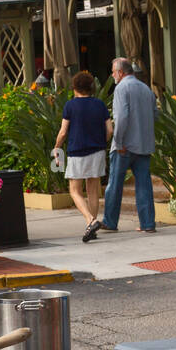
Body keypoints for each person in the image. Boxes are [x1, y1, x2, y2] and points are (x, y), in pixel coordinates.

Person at [53, 71, 112, 243]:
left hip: (77, 151)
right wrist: (102, 142)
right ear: (91, 87)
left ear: (74, 88)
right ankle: (91, 227)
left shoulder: (70, 106)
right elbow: (109, 130)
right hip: (98, 151)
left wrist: (57, 147)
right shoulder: (100, 105)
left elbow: (63, 132)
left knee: (74, 190)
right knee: (93, 189)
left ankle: (90, 220)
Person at [103, 58, 158, 234]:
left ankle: (110, 222)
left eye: (113, 72)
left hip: (125, 145)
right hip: (144, 144)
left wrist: (118, 142)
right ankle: (148, 223)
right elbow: (155, 115)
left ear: (121, 72)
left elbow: (121, 117)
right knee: (144, 184)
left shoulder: (121, 88)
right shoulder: (146, 88)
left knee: (114, 184)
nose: (112, 75)